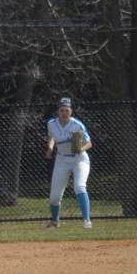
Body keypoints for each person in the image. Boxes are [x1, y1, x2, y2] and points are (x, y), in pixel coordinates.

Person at [44, 96, 93, 229]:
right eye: (61, 110)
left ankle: (87, 221)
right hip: (62, 159)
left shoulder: (77, 125)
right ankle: (55, 221)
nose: (64, 113)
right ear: (58, 112)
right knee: (54, 196)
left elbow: (89, 143)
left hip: (79, 159)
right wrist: (50, 148)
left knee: (79, 186)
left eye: (66, 110)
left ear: (71, 111)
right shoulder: (52, 123)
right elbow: (52, 136)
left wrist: (81, 148)